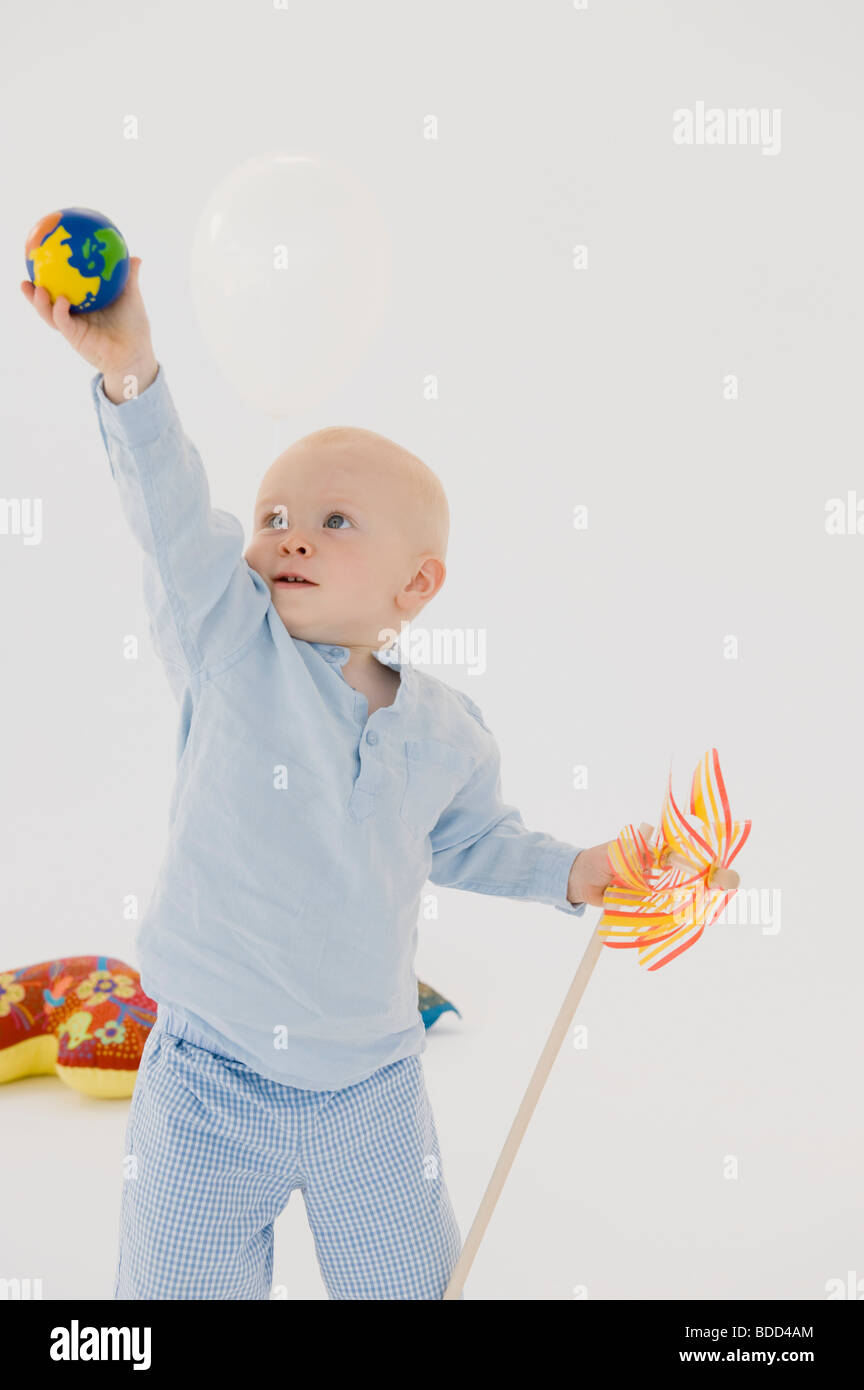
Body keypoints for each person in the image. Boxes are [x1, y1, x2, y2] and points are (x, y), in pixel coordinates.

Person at [21, 261, 614, 1299]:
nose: (288, 530)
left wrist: (582, 871)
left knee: (412, 1285)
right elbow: (169, 515)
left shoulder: (444, 731)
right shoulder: (229, 642)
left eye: (335, 520)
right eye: (274, 513)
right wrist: (133, 375)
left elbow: (477, 841)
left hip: (370, 1090)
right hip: (209, 1076)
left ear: (417, 584)